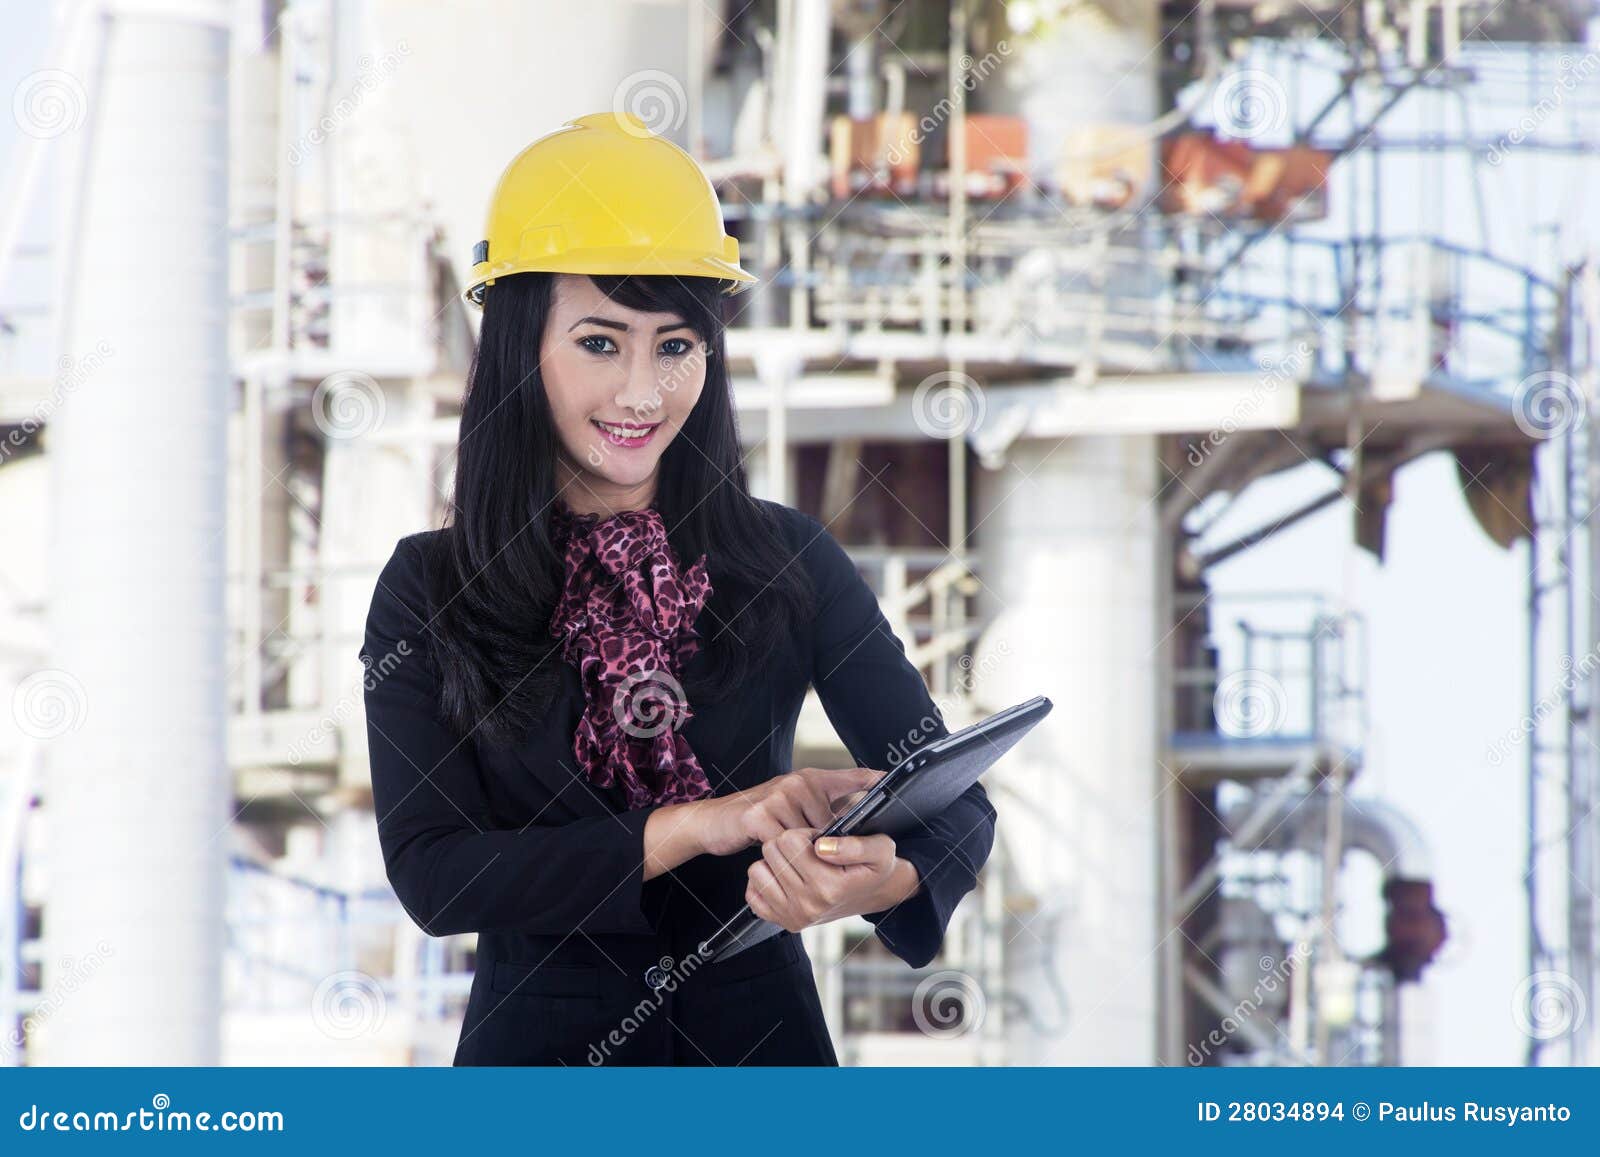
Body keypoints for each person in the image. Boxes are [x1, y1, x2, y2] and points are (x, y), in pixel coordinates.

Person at [358, 111, 996, 1066]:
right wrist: (703, 824)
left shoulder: (785, 556)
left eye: (676, 345)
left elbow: (954, 802)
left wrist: (880, 880)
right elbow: (437, 876)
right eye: (601, 343)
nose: (644, 393)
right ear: (519, 345)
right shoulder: (432, 587)